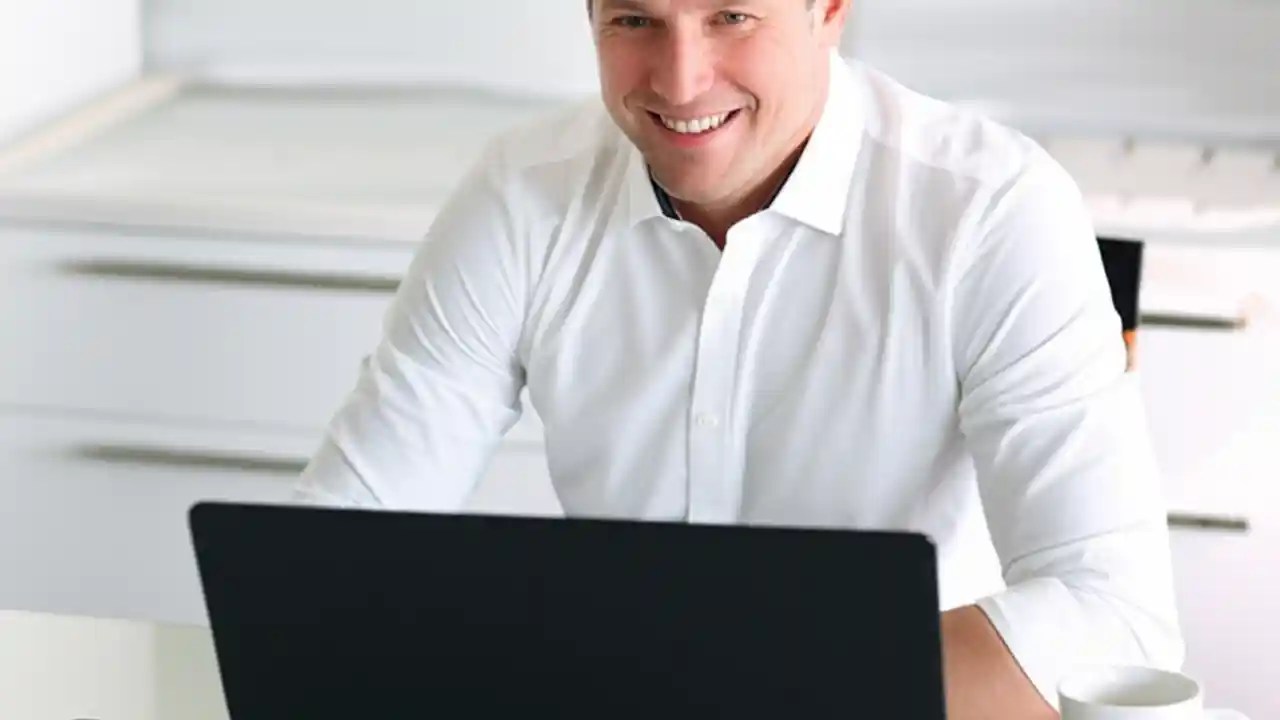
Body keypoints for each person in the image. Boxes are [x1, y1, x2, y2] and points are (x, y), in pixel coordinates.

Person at [295, 1, 1184, 717]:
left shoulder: (992, 211)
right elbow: (330, 562)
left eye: (731, 16)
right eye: (636, 21)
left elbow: (1116, 626)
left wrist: (714, 684)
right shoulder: (523, 194)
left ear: (829, 9)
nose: (681, 81)